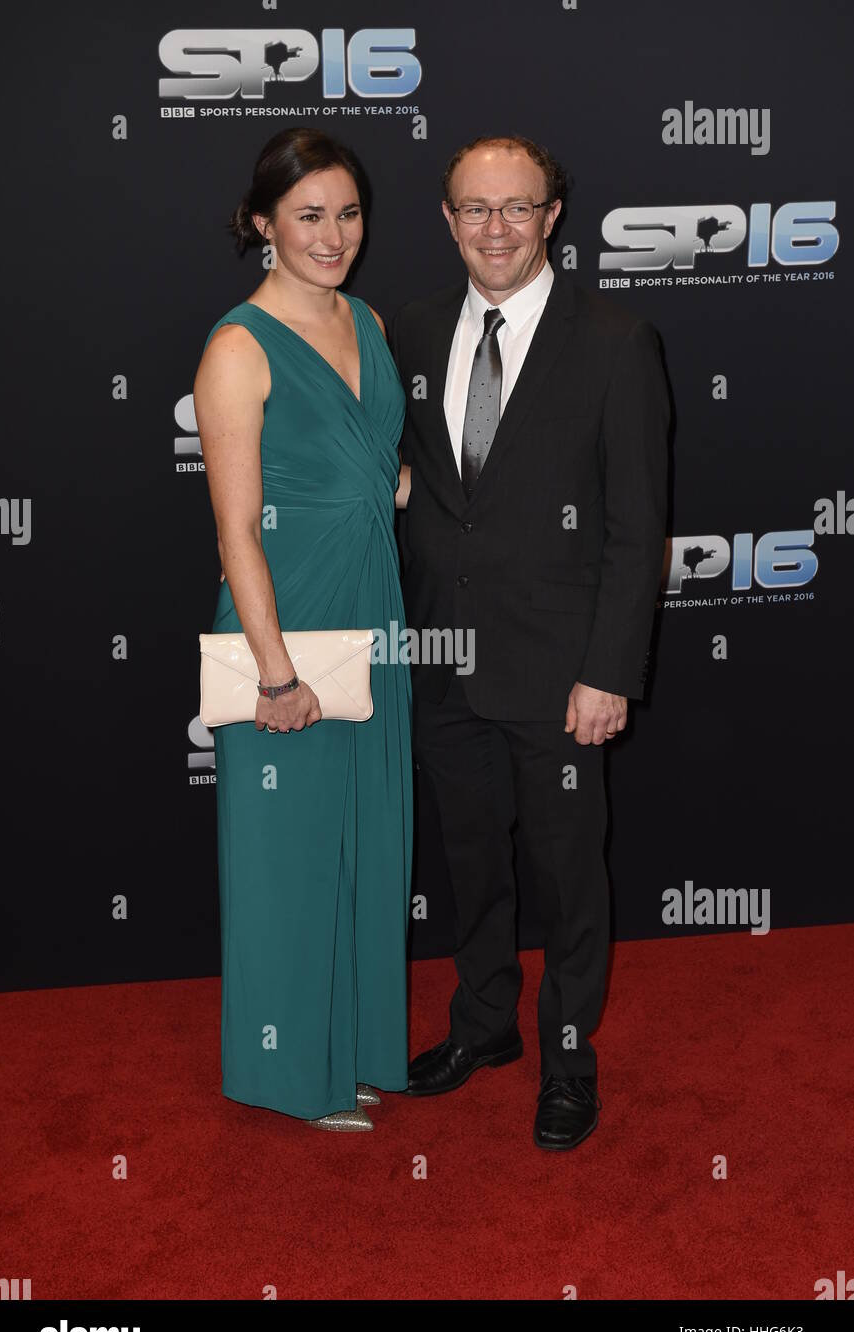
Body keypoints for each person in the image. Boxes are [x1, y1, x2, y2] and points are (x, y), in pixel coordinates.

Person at [389, 134, 670, 1150]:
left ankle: (566, 1056)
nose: (495, 229)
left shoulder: (613, 340)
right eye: (474, 208)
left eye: (517, 207)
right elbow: (422, 483)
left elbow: (638, 527)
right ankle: (483, 1026)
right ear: (446, 218)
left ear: (553, 215)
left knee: (567, 877)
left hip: (560, 675)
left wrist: (608, 671)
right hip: (443, 665)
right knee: (472, 862)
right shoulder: (411, 333)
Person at [193, 127, 413, 1132]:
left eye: (348, 213)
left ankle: (355, 1049)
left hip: (372, 604)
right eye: (309, 215)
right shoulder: (237, 346)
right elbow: (236, 524)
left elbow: (376, 469)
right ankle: (291, 1072)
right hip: (288, 625)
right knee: (288, 858)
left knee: (367, 840)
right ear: (262, 224)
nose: (334, 235)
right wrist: (275, 675)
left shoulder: (365, 320)